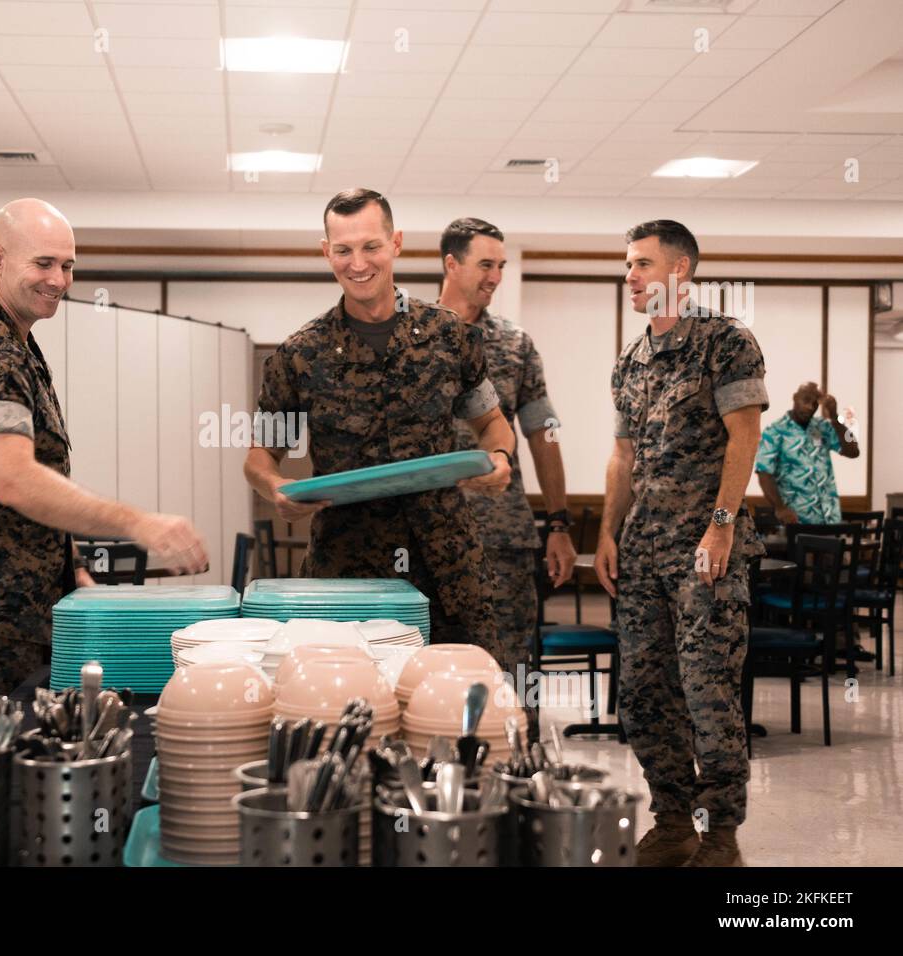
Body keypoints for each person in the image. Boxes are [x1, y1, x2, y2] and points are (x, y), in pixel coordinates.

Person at [0, 198, 208, 704]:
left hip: (22, 601)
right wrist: (137, 523)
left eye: (67, 265)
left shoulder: (18, 346)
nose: (59, 279)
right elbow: (14, 480)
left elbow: (38, 475)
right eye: (42, 263)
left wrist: (73, 568)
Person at [244, 188, 516, 652]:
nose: (358, 263)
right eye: (344, 250)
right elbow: (260, 457)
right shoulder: (300, 355)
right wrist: (275, 489)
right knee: (349, 706)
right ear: (326, 252)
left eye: (371, 246)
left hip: (447, 568)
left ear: (396, 244)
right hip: (346, 572)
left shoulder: (450, 336)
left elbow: (493, 424)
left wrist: (500, 458)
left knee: (456, 705)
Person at [594, 220, 767, 868]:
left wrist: (721, 524)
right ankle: (673, 821)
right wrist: (607, 532)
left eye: (642, 264)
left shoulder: (725, 343)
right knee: (643, 694)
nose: (631, 276)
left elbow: (743, 437)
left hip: (705, 549)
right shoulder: (629, 362)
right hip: (642, 552)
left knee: (707, 691)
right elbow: (621, 458)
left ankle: (720, 831)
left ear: (681, 272)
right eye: (628, 264)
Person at [437, 217, 576, 742]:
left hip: (503, 538)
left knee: (514, 665)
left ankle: (519, 773)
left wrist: (558, 523)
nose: (495, 276)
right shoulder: (411, 337)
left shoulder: (515, 345)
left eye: (501, 265)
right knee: (429, 663)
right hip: (423, 536)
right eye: (485, 265)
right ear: (451, 264)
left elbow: (544, 434)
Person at [756, 381, 860, 525]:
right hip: (798, 521)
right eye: (805, 400)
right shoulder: (774, 431)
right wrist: (780, 508)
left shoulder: (823, 427)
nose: (810, 407)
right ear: (794, 398)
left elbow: (853, 450)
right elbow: (764, 474)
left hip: (830, 519)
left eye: (815, 403)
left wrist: (836, 418)